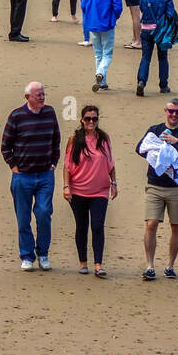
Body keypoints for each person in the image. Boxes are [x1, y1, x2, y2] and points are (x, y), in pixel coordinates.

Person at [0, 82, 60, 271]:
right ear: (28, 97)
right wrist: (14, 166)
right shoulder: (16, 116)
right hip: (22, 177)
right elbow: (5, 145)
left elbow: (56, 141)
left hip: (45, 175)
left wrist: (52, 164)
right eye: (38, 95)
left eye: (43, 94)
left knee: (43, 213)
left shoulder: (50, 113)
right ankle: (27, 256)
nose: (42, 98)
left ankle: (43, 253)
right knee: (23, 218)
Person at [137, 99, 178, 280]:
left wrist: (176, 142)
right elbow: (140, 148)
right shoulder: (154, 130)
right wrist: (157, 157)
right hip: (155, 185)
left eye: (177, 112)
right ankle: (149, 266)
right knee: (151, 223)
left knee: (176, 226)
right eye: (171, 111)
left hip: (177, 188)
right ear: (165, 111)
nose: (173, 115)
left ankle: (170, 266)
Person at [62, 104, 117, 276]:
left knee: (98, 226)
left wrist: (114, 183)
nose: (91, 121)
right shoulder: (74, 139)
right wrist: (66, 186)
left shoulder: (104, 139)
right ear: (82, 120)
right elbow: (67, 165)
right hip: (78, 190)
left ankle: (98, 264)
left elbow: (110, 163)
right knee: (82, 226)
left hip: (100, 191)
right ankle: (83, 262)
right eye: (88, 118)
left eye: (94, 118)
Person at [81, 0, 123, 91]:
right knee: (107, 53)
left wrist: (89, 17)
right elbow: (118, 7)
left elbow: (83, 5)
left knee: (98, 54)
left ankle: (102, 81)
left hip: (93, 23)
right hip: (107, 24)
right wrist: (113, 17)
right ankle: (100, 74)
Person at [136, 0, 175, 96]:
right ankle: (163, 85)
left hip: (146, 29)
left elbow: (141, 8)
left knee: (145, 57)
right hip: (161, 31)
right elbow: (170, 14)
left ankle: (141, 81)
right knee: (163, 58)